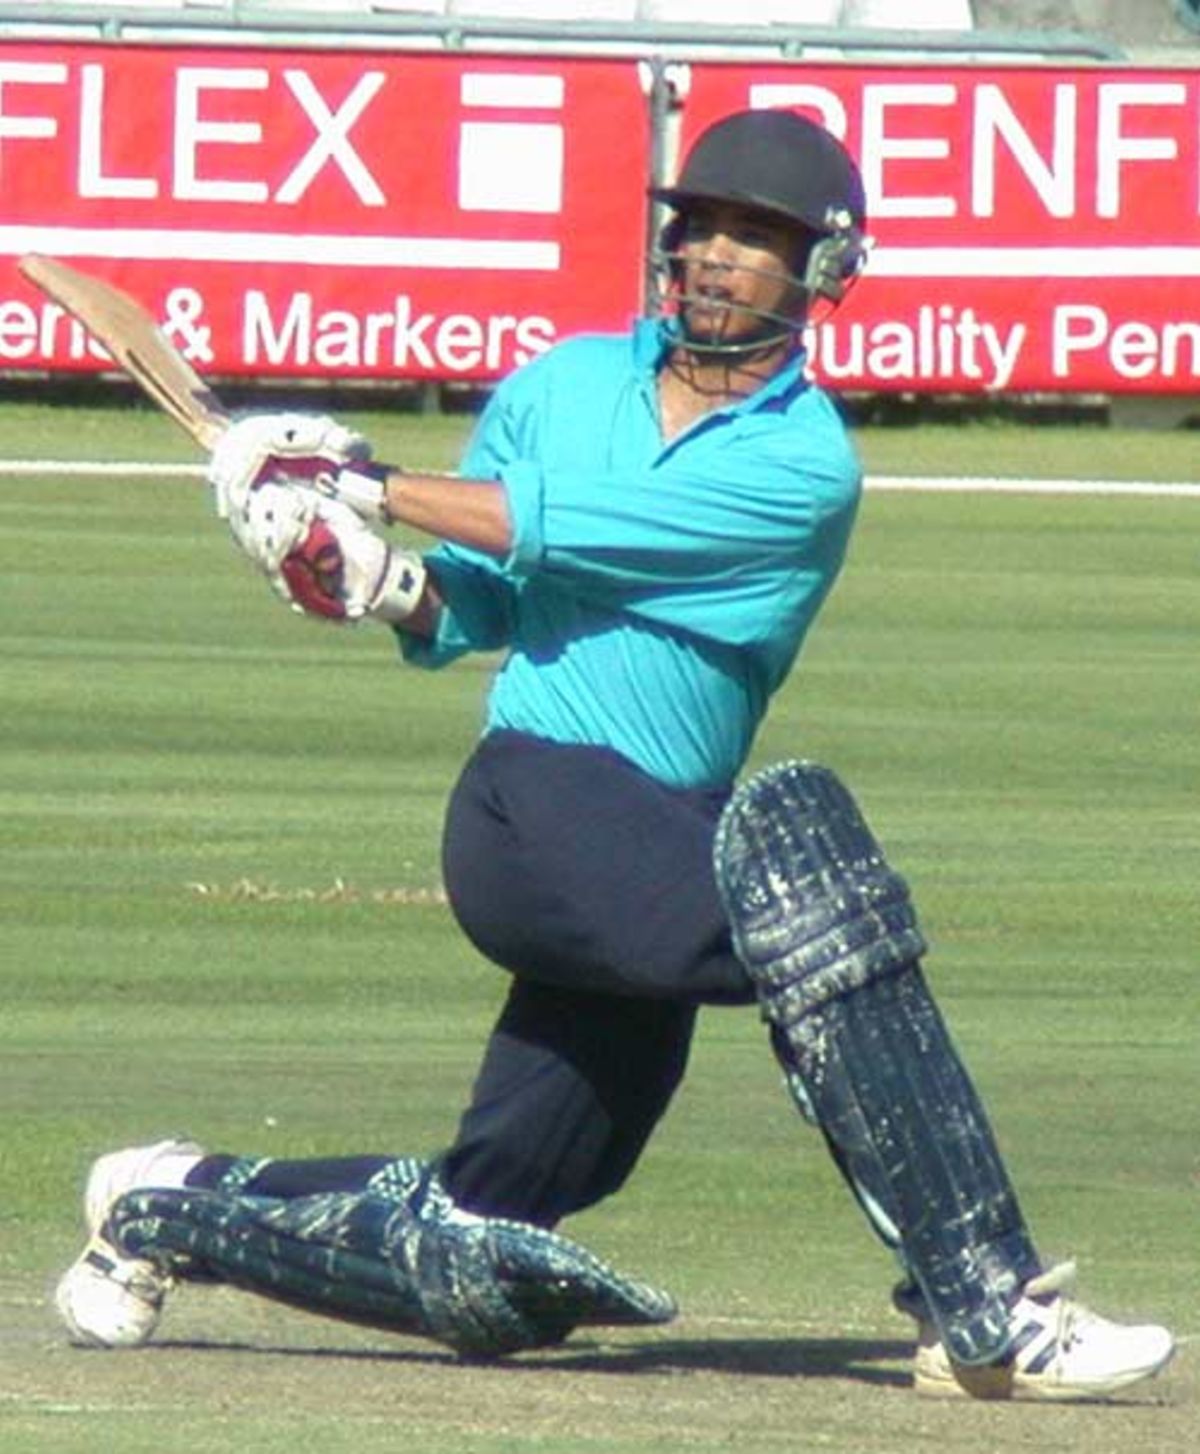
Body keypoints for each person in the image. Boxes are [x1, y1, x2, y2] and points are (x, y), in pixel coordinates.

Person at [54, 109, 1174, 1400]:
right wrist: (359, 573)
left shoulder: (800, 464)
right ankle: (985, 1297)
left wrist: (354, 475)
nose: (708, 255)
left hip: (662, 841)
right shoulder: (557, 385)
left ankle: (162, 1199)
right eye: (694, 227)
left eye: (752, 237)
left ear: (824, 270)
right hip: (538, 801)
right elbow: (472, 598)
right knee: (822, 921)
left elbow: (568, 527)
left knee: (481, 1240)